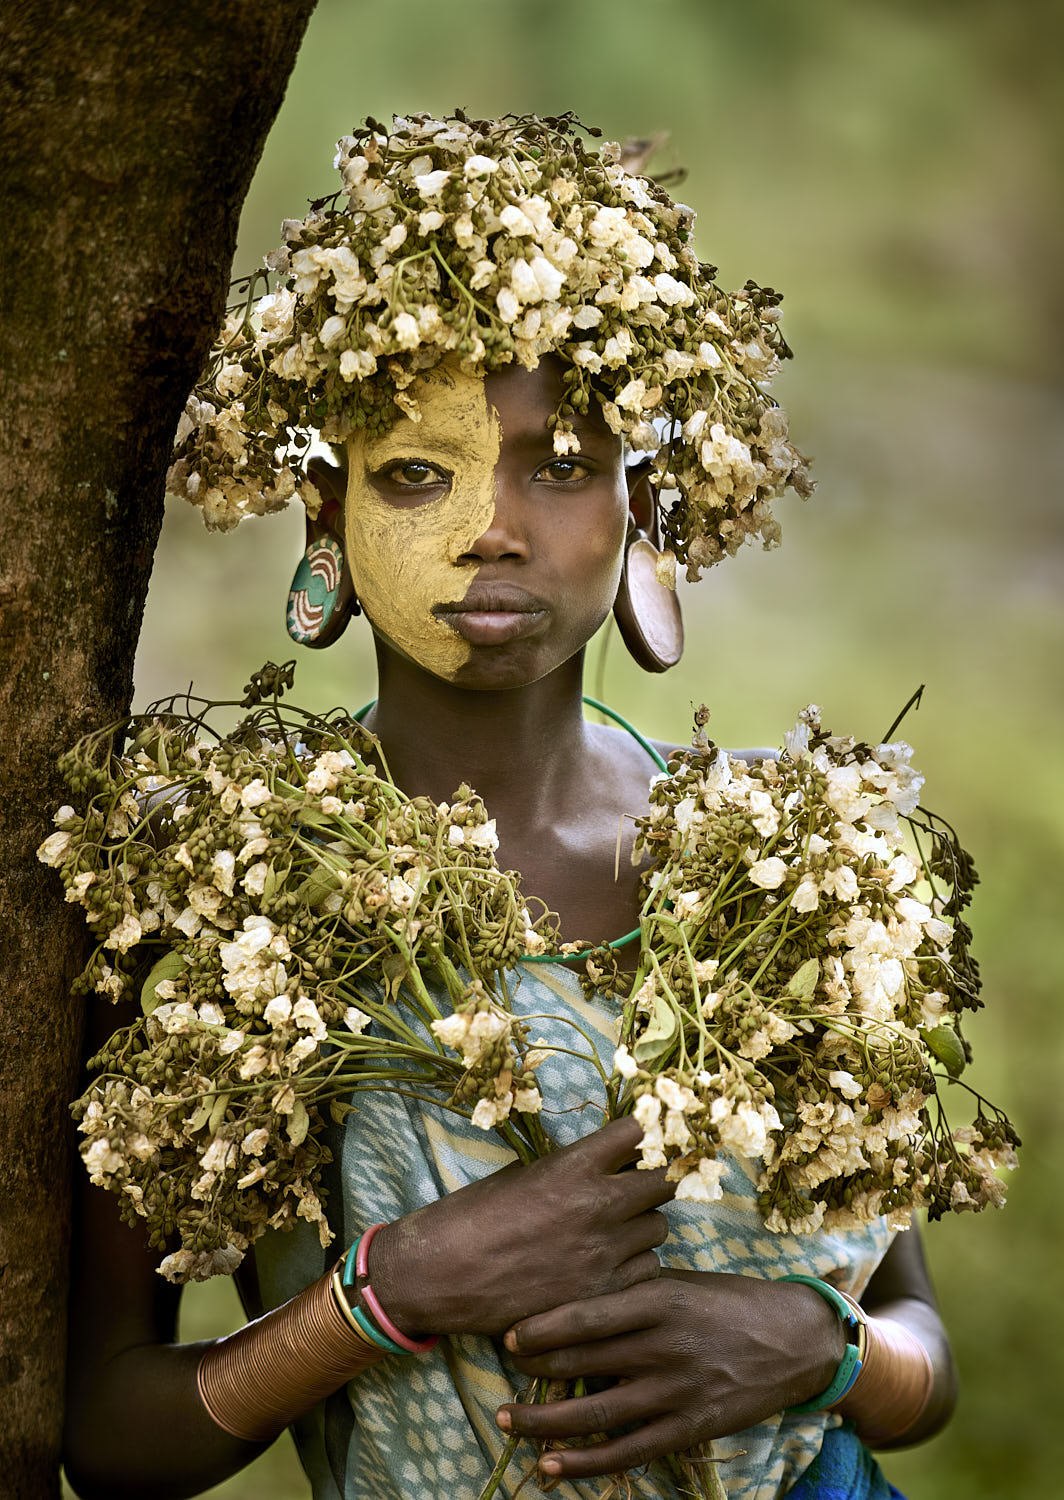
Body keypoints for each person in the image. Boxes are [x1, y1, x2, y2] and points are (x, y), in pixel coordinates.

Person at [62, 113, 956, 1500]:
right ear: (325, 514)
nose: (493, 523)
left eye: (559, 464)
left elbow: (919, 1360)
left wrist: (814, 1346)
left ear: (644, 511)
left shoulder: (786, 871)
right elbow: (115, 1441)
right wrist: (388, 1291)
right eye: (419, 471)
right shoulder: (220, 904)